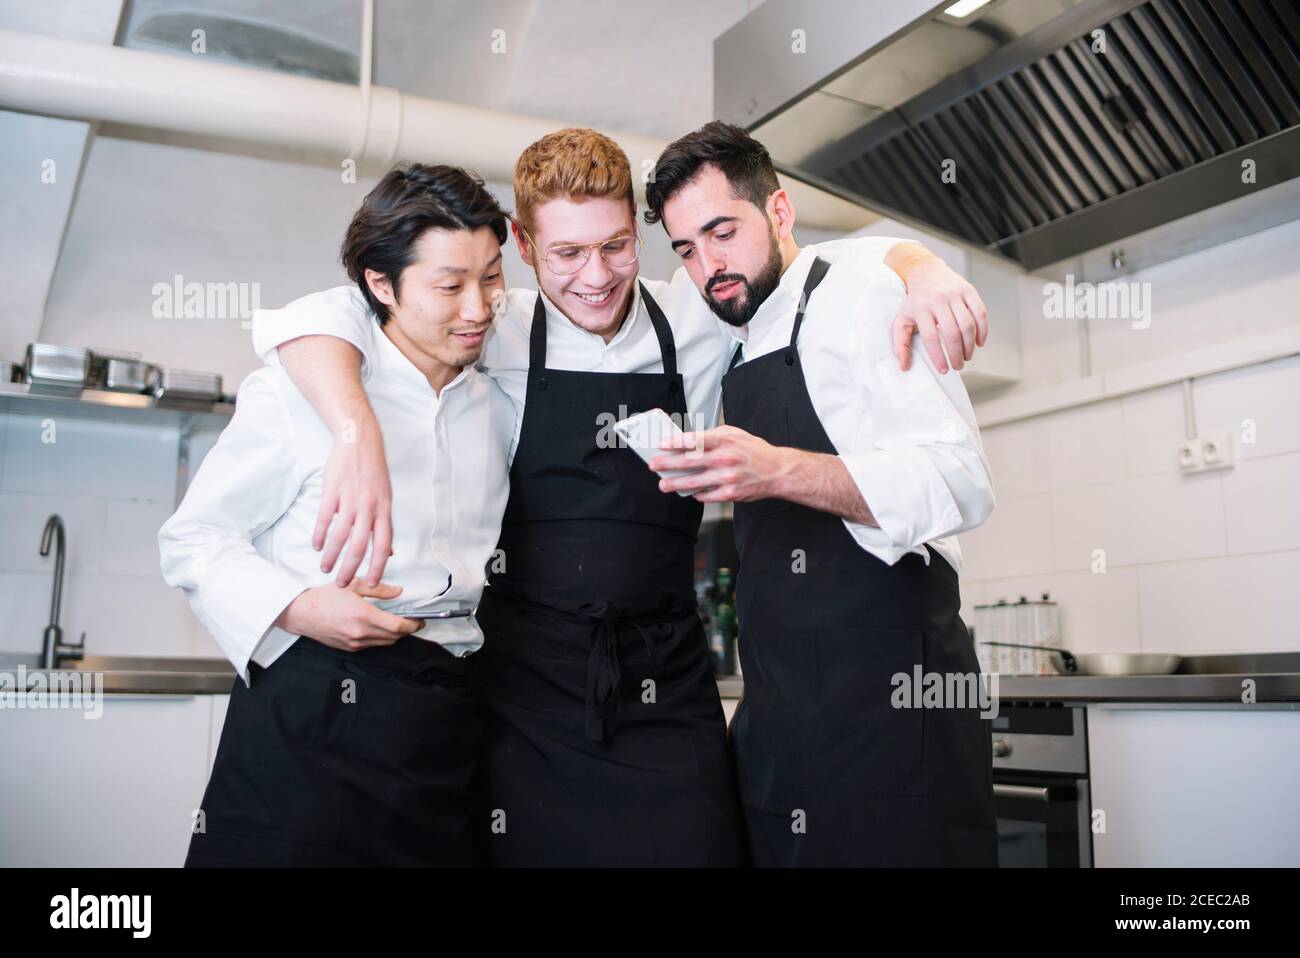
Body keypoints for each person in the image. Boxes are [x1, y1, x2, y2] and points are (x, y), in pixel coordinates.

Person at [251, 127, 991, 866]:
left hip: (666, 682)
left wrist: (918, 265)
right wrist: (355, 430)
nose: (596, 276)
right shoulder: (492, 323)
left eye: (616, 247)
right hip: (527, 695)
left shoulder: (699, 313)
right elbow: (330, 312)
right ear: (525, 244)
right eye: (567, 254)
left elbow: (806, 265)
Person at [644, 122, 999, 866]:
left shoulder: (870, 300)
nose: (709, 266)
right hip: (782, 719)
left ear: (779, 213)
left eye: (722, 232)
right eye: (686, 249)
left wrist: (776, 471)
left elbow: (961, 481)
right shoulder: (724, 320)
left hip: (898, 711)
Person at [158, 164, 515, 866]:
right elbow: (193, 538)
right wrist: (298, 607)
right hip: (310, 710)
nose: (478, 308)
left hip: (446, 714)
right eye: (449, 286)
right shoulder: (302, 394)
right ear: (381, 286)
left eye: (493, 277)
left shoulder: (501, 401)